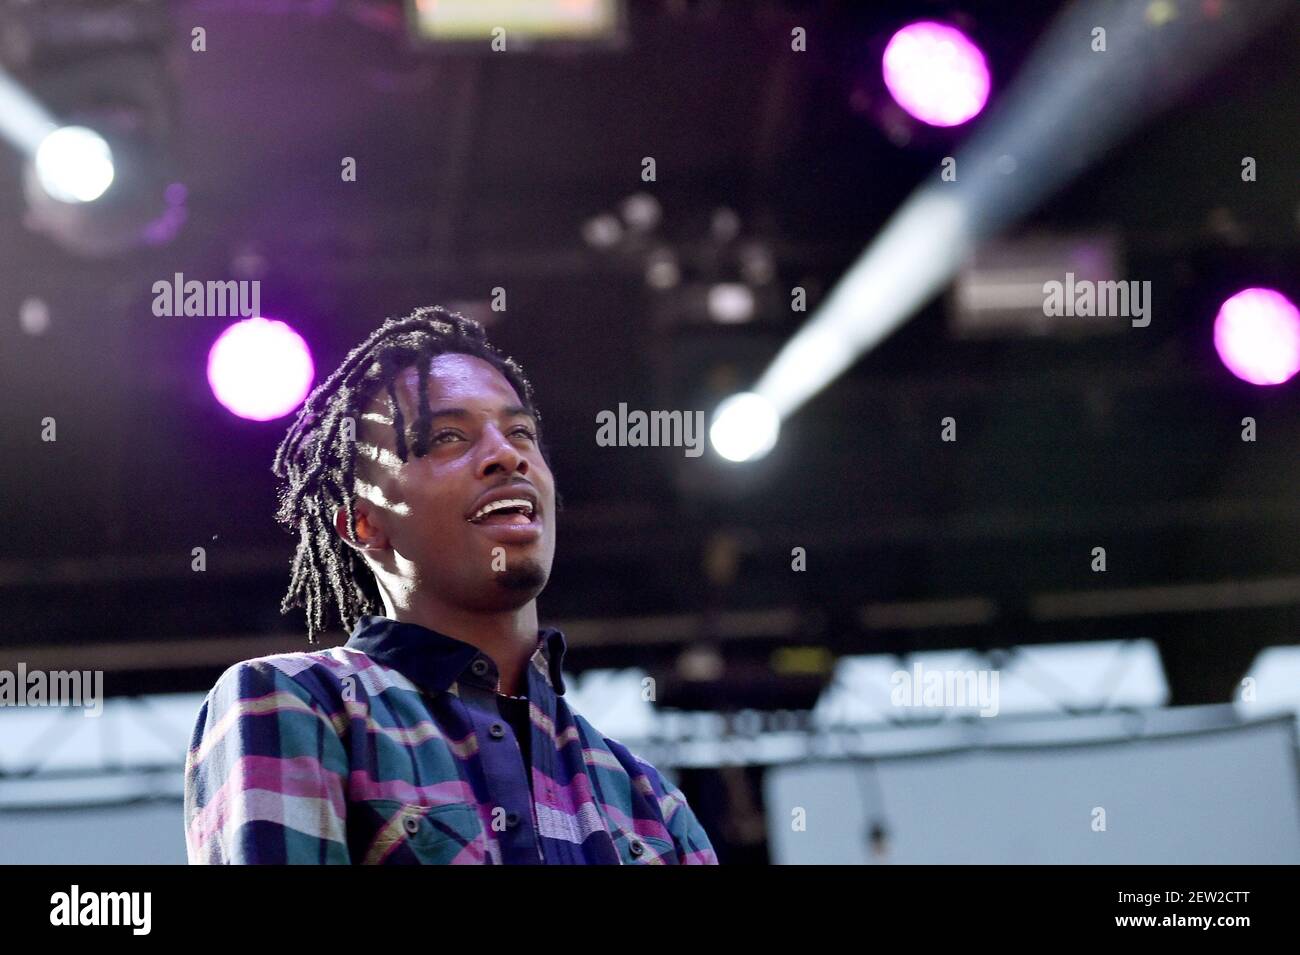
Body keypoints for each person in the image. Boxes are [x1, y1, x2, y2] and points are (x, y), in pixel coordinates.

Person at [182, 306, 717, 864]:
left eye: (520, 432)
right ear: (364, 523)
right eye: (447, 437)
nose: (506, 455)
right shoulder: (296, 702)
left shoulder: (650, 803)